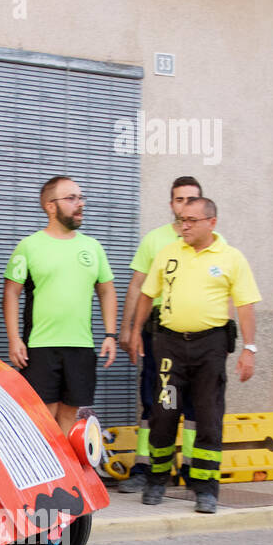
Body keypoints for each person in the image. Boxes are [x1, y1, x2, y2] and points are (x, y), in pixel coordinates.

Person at [132, 197, 260, 514]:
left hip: (210, 346)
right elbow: (147, 295)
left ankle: (205, 488)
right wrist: (136, 331)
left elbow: (245, 306)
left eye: (191, 220)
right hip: (169, 346)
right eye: (181, 220)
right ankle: (157, 479)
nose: (184, 225)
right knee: (163, 412)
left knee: (208, 416)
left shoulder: (231, 258)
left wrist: (249, 348)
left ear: (211, 223)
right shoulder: (168, 253)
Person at [3, 176, 117, 434]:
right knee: (43, 417)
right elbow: (11, 293)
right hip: (41, 347)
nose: (80, 204)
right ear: (50, 206)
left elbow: (107, 290)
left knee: (69, 416)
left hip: (81, 347)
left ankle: (63, 474)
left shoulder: (93, 247)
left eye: (80, 197)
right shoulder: (29, 246)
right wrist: (14, 339)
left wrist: (110, 334)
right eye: (71, 198)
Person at [117, 177, 204, 494]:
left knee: (194, 405)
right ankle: (146, 467)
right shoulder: (155, 240)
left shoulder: (210, 241)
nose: (184, 205)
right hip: (159, 333)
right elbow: (137, 286)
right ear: (171, 204)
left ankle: (193, 472)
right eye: (179, 199)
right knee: (155, 401)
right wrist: (129, 330)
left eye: (191, 199)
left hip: (199, 336)